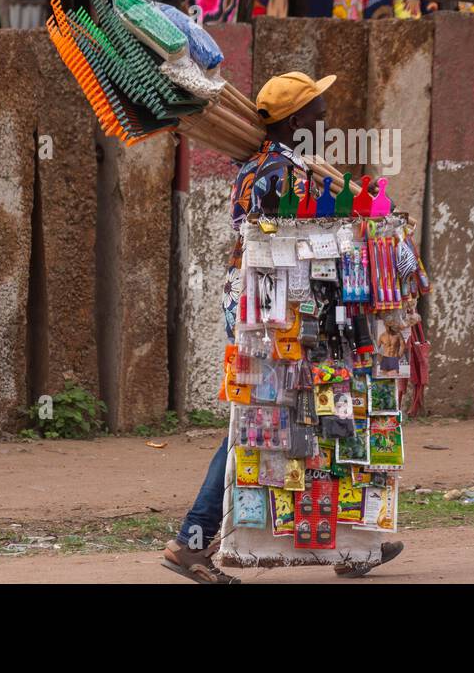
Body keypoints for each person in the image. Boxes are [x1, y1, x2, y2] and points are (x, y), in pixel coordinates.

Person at [162, 71, 403, 583]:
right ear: (297, 120)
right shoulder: (284, 174)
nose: (325, 118)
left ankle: (349, 545)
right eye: (317, 110)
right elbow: (294, 246)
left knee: (315, 418)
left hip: (264, 308)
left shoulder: (259, 165)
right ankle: (192, 540)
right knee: (269, 423)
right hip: (281, 314)